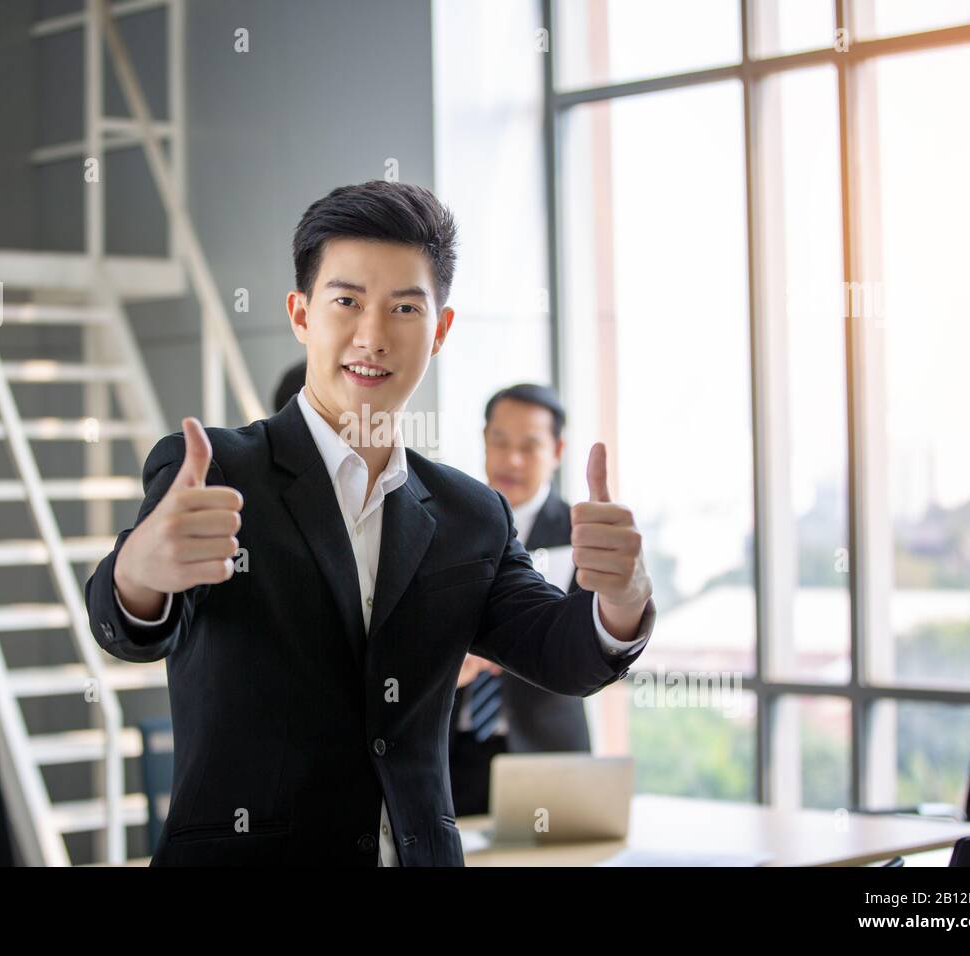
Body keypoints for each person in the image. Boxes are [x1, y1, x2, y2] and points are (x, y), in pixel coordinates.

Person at [85, 180, 655, 866]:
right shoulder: (215, 472)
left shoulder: (470, 513)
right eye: (346, 301)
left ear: (440, 330)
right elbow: (132, 628)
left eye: (405, 308)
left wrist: (620, 600)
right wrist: (138, 572)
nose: (372, 335)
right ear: (301, 314)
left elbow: (559, 653)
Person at [448, 384, 599, 816]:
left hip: (544, 752)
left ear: (557, 450)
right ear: (483, 440)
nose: (511, 460)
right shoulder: (450, 522)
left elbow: (597, 651)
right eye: (499, 441)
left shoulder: (583, 535)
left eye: (529, 447)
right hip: (453, 750)